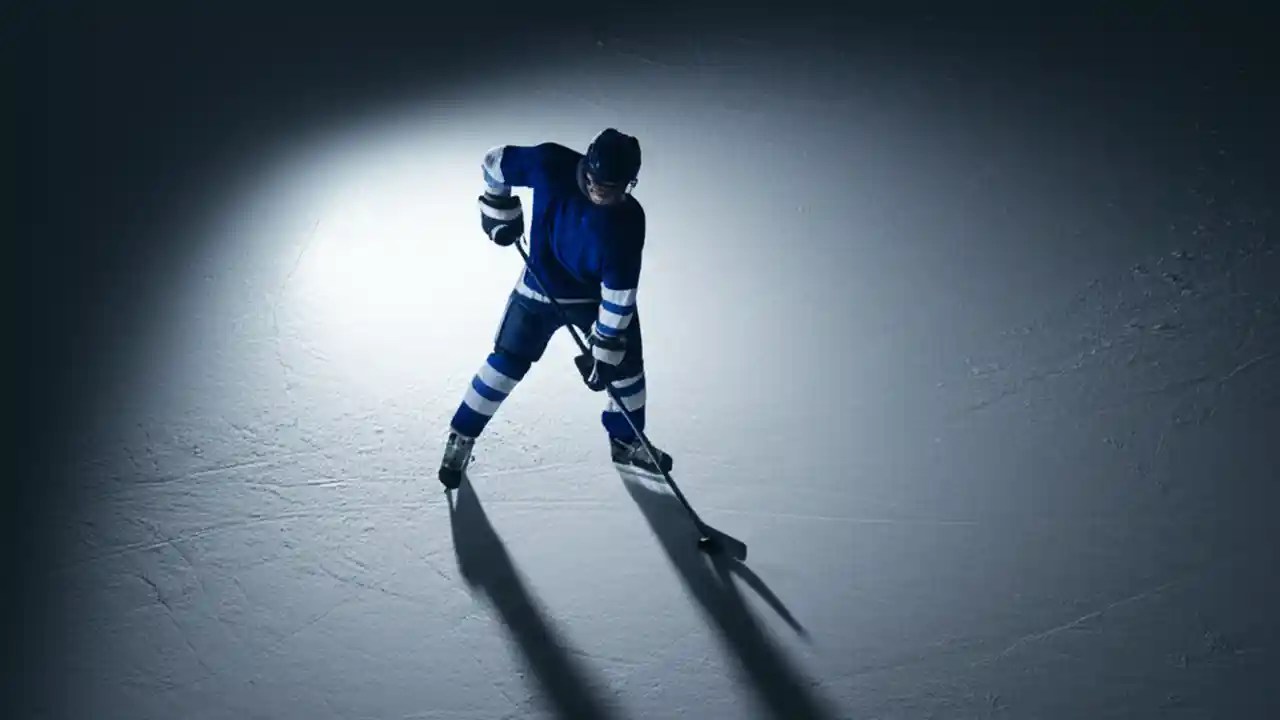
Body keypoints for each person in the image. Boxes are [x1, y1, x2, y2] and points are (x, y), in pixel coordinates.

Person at [438, 128, 673, 490]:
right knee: (506, 364)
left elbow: (620, 289)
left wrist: (606, 346)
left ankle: (626, 442)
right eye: (596, 181)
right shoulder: (549, 163)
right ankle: (461, 436)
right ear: (586, 165)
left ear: (630, 183)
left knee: (627, 373)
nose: (601, 192)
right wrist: (498, 206)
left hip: (592, 299)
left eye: (613, 188)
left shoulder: (629, 220)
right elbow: (494, 162)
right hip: (538, 289)